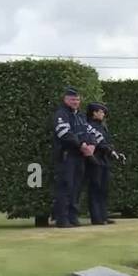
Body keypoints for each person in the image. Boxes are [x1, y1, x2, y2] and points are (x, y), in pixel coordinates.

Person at [52, 87, 94, 228]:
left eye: (77, 99)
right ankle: (62, 219)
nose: (75, 102)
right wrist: (82, 145)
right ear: (65, 99)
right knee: (65, 187)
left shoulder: (80, 116)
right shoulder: (61, 114)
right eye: (72, 99)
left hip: (80, 157)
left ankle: (73, 217)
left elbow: (89, 132)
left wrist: (92, 145)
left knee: (76, 187)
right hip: (67, 156)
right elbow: (64, 133)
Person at [83, 102, 119, 225]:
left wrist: (113, 151)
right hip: (95, 159)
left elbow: (107, 141)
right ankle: (96, 217)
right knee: (95, 188)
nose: (103, 114)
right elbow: (99, 142)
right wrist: (109, 150)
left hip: (103, 159)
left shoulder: (101, 126)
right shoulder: (89, 126)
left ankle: (103, 215)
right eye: (101, 112)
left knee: (103, 189)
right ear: (94, 113)